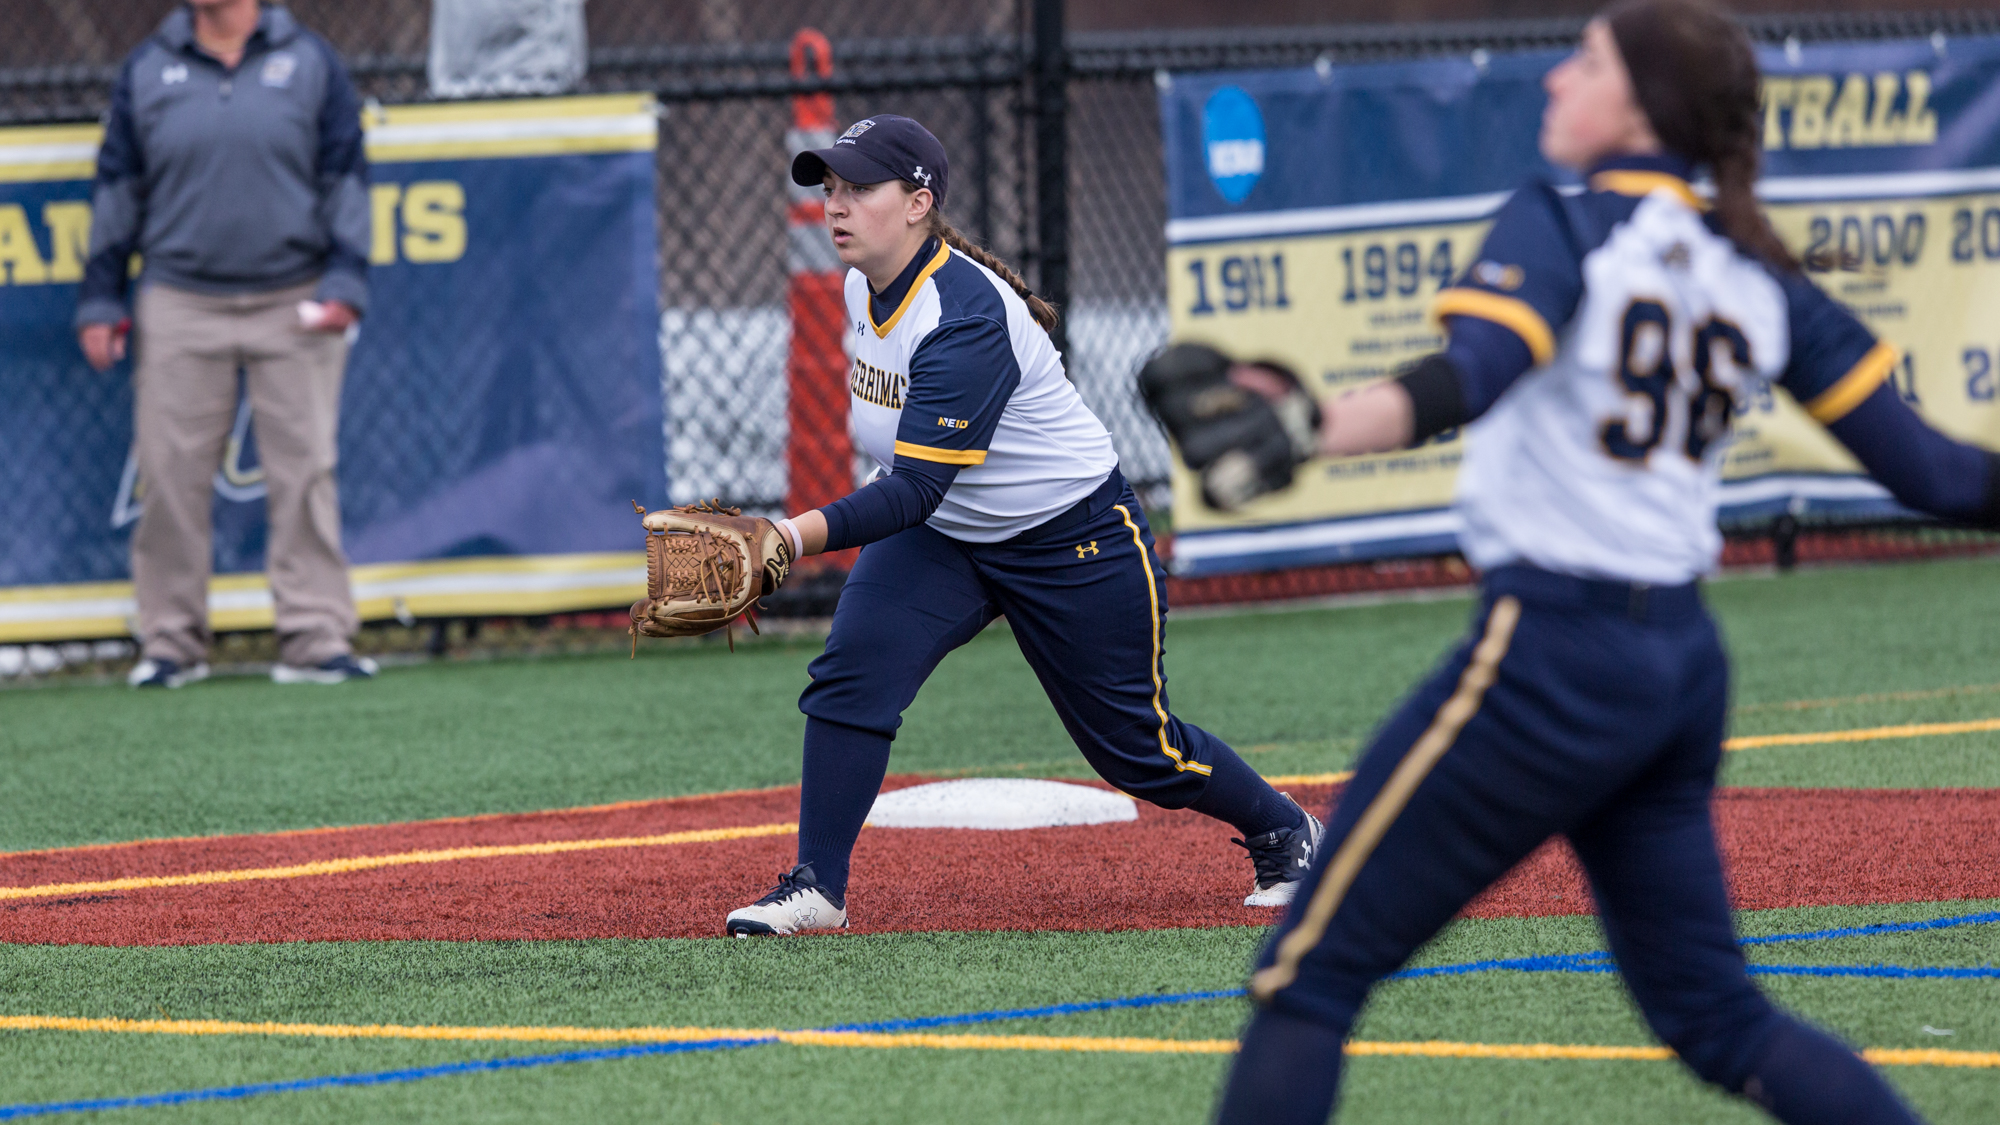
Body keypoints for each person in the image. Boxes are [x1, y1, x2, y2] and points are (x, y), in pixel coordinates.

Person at [1209, 2, 1992, 1121]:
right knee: (1718, 1020)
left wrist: (1304, 429)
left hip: (1555, 656)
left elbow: (1469, 373)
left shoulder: (1562, 221)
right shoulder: (1755, 270)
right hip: (1677, 667)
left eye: (1582, 62)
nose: (1552, 83)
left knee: (1307, 977)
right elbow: (1936, 476)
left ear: (1640, 101)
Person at [722, 114, 1324, 936]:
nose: (837, 205)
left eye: (860, 188)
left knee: (1136, 750)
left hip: (1069, 537)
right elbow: (909, 478)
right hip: (948, 537)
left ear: (918, 203)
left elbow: (913, 490)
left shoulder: (963, 316)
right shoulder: (865, 283)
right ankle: (815, 886)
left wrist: (786, 536)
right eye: (830, 188)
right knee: (851, 675)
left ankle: (1287, 829)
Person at [76, 0, 377, 689]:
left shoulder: (311, 62)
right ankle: (171, 642)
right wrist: (100, 296)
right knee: (170, 475)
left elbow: (346, 178)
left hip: (294, 297)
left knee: (304, 472)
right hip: (180, 298)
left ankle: (315, 637)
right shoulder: (148, 68)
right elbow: (117, 191)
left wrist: (345, 280)